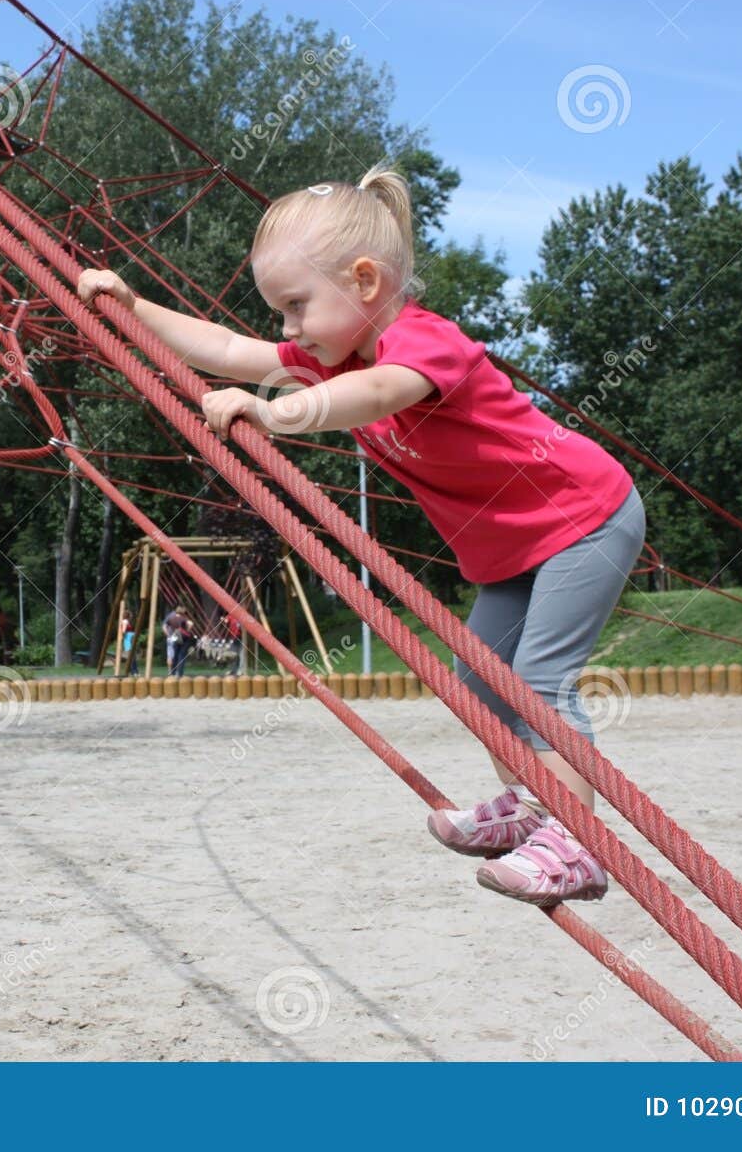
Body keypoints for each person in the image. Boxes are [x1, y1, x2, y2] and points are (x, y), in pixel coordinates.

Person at [77, 163, 645, 906]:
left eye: (296, 306)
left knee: (536, 684)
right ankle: (533, 810)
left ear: (366, 282)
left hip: (582, 519)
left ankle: (577, 843)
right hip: (511, 549)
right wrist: (133, 305)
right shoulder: (328, 355)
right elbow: (225, 347)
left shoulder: (422, 342)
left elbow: (375, 393)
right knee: (474, 682)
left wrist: (273, 413)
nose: (286, 329)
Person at [161, 603, 195, 677]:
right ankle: (179, 673)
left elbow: (164, 626)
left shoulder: (171, 617)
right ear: (182, 610)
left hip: (175, 636)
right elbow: (191, 624)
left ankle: (172, 672)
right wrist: (188, 630)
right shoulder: (183, 618)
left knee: (175, 655)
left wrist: (168, 635)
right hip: (184, 636)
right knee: (181, 655)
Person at [119, 610, 137, 676]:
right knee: (131, 656)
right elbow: (124, 631)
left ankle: (132, 671)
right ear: (128, 615)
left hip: (129, 638)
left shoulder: (127, 621)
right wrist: (125, 637)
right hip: (128, 639)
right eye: (131, 614)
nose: (132, 616)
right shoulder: (125, 621)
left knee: (132, 655)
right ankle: (133, 671)